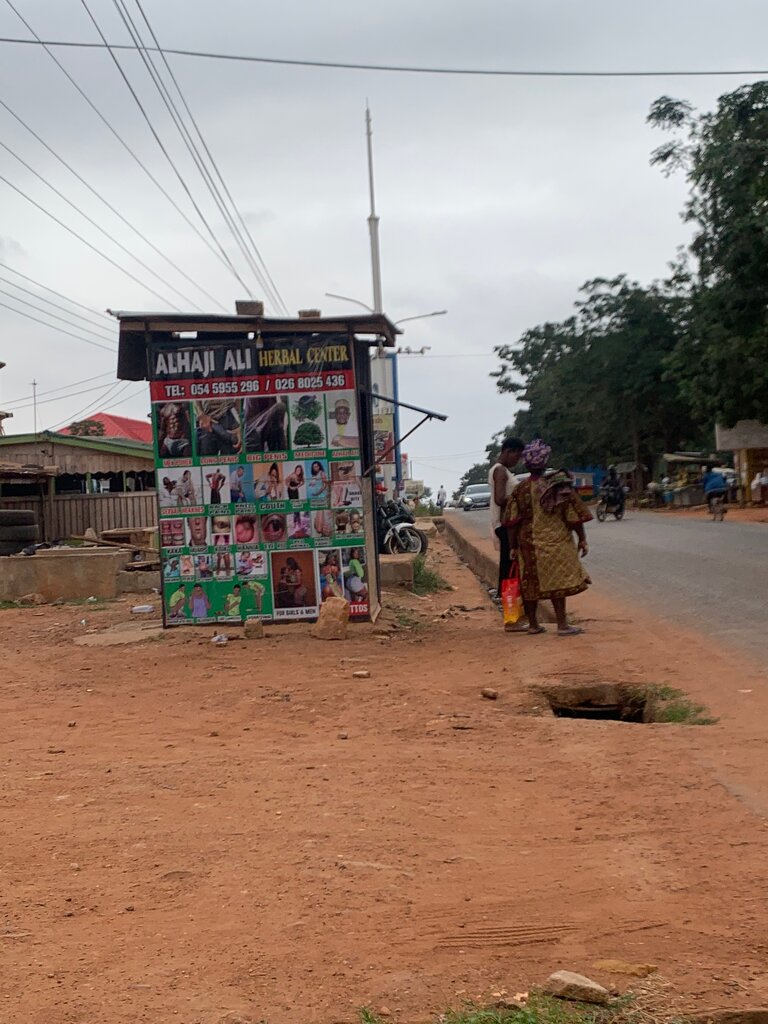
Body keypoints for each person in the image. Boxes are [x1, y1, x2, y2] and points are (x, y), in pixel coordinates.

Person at [505, 439, 592, 637]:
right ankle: (562, 624)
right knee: (558, 579)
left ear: (526, 464)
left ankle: (534, 624)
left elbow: (511, 521)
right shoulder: (557, 485)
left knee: (529, 582)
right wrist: (582, 539)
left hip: (528, 542)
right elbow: (573, 517)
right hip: (558, 540)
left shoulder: (520, 490)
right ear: (545, 463)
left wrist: (513, 546)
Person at [489, 437, 525, 596]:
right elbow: (500, 498)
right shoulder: (501, 471)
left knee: (508, 563)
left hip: (505, 523)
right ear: (508, 451)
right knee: (509, 565)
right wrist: (521, 497)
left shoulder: (501, 470)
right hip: (506, 524)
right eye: (517, 457)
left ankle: (507, 598)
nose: (517, 461)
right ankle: (507, 598)